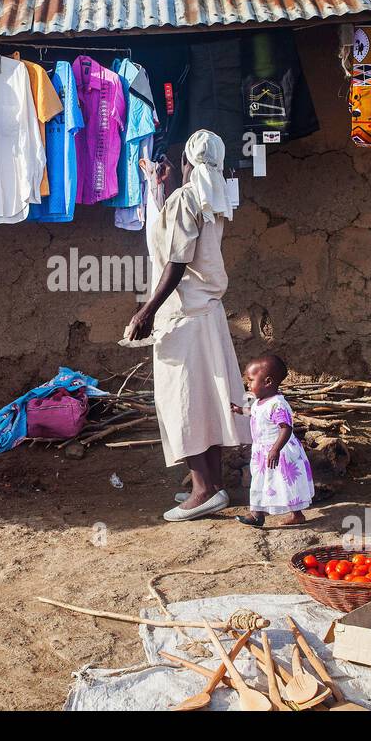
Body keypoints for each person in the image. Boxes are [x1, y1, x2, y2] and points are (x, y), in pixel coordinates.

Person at [127, 130, 250, 522]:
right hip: (205, 314)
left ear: (189, 163)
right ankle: (211, 485)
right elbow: (169, 239)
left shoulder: (187, 199)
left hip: (183, 319)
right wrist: (157, 190)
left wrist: (146, 310)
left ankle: (202, 489)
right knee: (205, 401)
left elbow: (176, 262)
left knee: (183, 402)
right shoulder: (210, 199)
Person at [232, 354, 313, 528]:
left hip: (280, 452)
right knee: (259, 482)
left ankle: (297, 514)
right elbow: (252, 412)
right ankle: (257, 515)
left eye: (251, 380)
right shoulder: (259, 402)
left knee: (285, 484)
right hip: (262, 452)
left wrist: (276, 449)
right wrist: (238, 409)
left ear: (267, 382)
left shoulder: (277, 404)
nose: (248, 384)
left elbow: (286, 427)